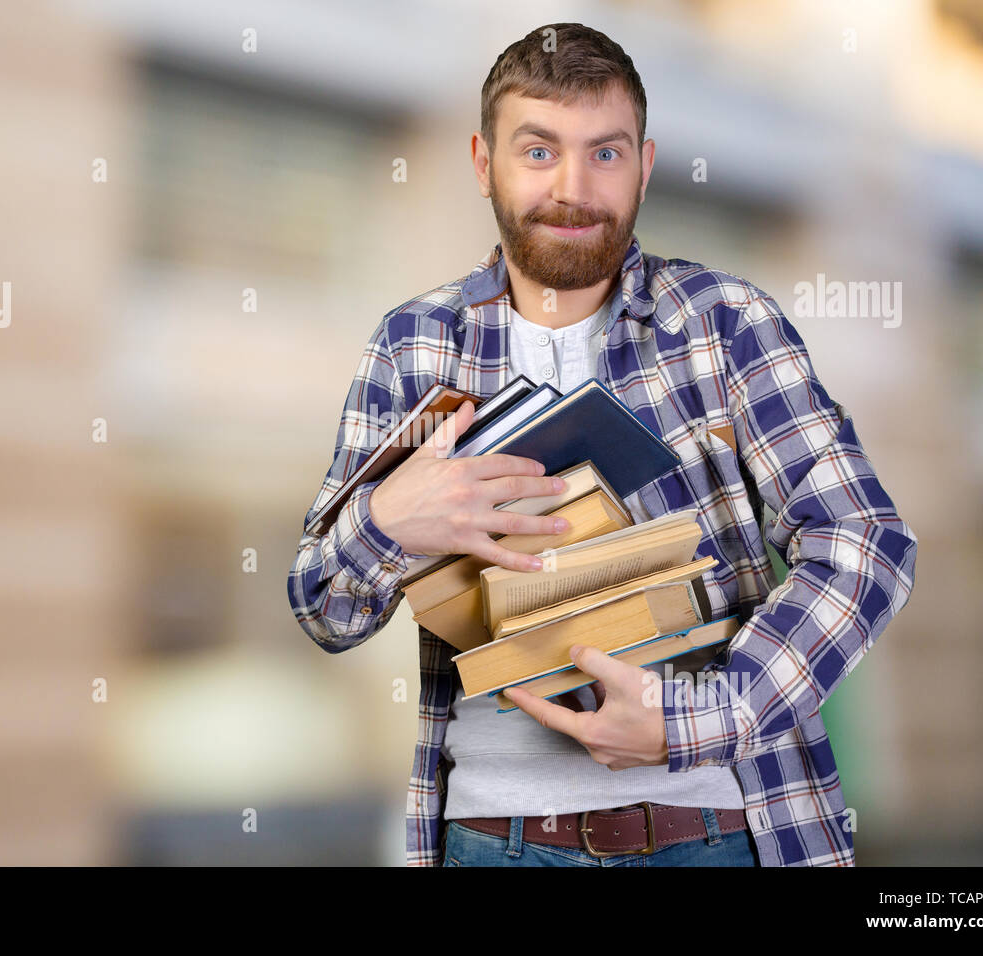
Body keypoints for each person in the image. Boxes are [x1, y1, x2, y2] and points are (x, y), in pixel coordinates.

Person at [287, 22, 918, 867]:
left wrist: (696, 721)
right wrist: (389, 520)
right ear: (484, 163)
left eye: (606, 154)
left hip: (720, 834)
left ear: (645, 167)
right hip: (492, 842)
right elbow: (324, 610)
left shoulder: (727, 324)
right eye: (539, 151)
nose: (574, 187)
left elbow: (864, 544)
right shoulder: (413, 344)